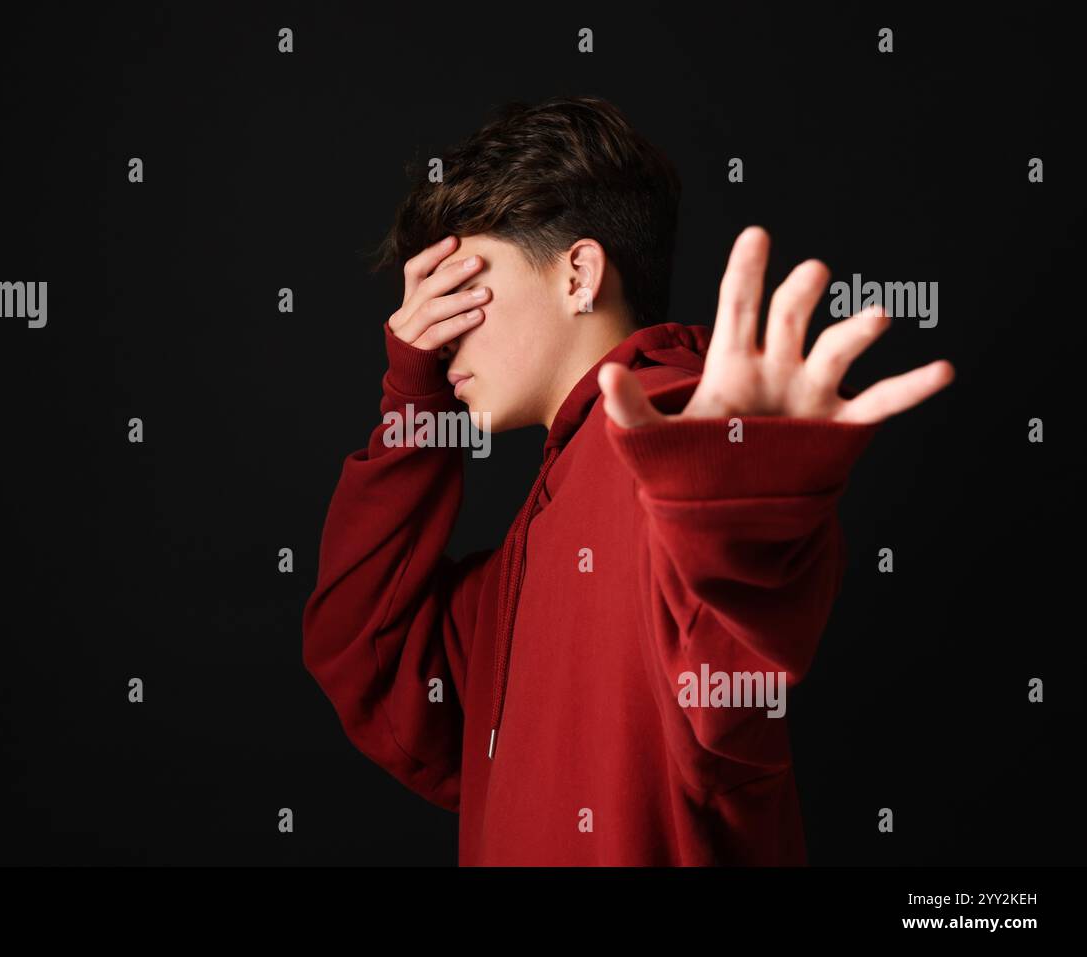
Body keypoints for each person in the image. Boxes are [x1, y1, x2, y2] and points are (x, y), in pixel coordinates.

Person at [302, 95, 953, 865]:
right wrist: (411, 402)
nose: (436, 337)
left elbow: (731, 641)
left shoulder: (665, 446)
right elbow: (366, 656)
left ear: (579, 273)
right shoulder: (536, 532)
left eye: (460, 291)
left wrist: (738, 474)